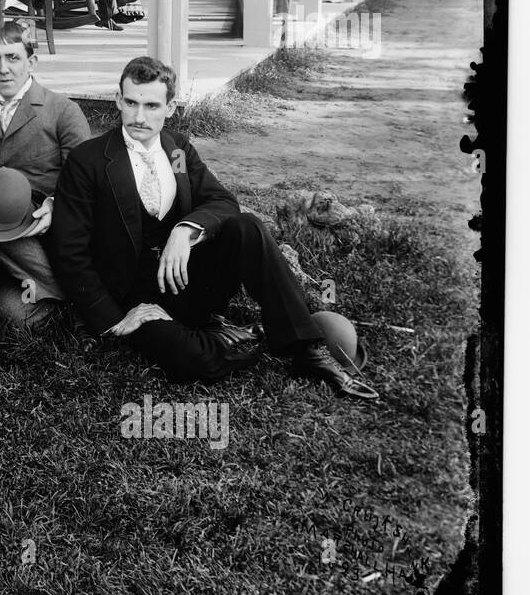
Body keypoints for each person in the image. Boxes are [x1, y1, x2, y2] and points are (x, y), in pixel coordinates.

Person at [46, 55, 379, 401]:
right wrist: (115, 320)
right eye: (131, 103)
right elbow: (69, 251)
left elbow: (222, 201)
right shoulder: (87, 161)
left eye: (151, 105)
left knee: (247, 227)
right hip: (136, 299)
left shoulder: (177, 149)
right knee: (190, 361)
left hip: (188, 281)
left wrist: (185, 231)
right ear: (118, 100)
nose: (139, 117)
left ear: (170, 107)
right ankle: (241, 340)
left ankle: (307, 350)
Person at [0, 20, 92, 328]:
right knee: (12, 311)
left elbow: (86, 179)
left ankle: (77, 294)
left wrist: (55, 204)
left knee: (17, 312)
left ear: (31, 62)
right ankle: (63, 294)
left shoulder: (62, 110)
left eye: (13, 58)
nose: (3, 69)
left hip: (42, 225)